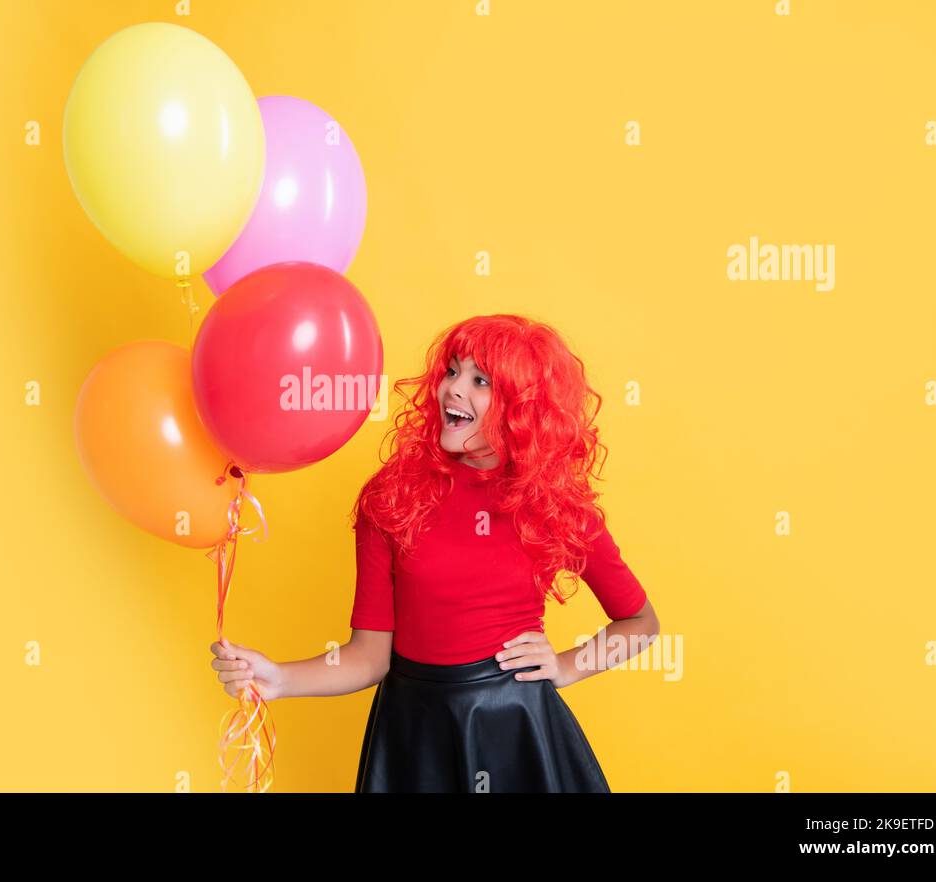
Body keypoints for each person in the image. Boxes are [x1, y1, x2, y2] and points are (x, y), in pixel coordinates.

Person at [208, 314, 661, 792]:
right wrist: (280, 679)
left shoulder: (554, 506)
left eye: (479, 380)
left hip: (512, 727)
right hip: (413, 730)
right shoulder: (391, 498)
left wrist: (567, 666)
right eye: (451, 371)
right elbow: (370, 656)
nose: (454, 390)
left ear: (523, 406)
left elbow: (641, 623)